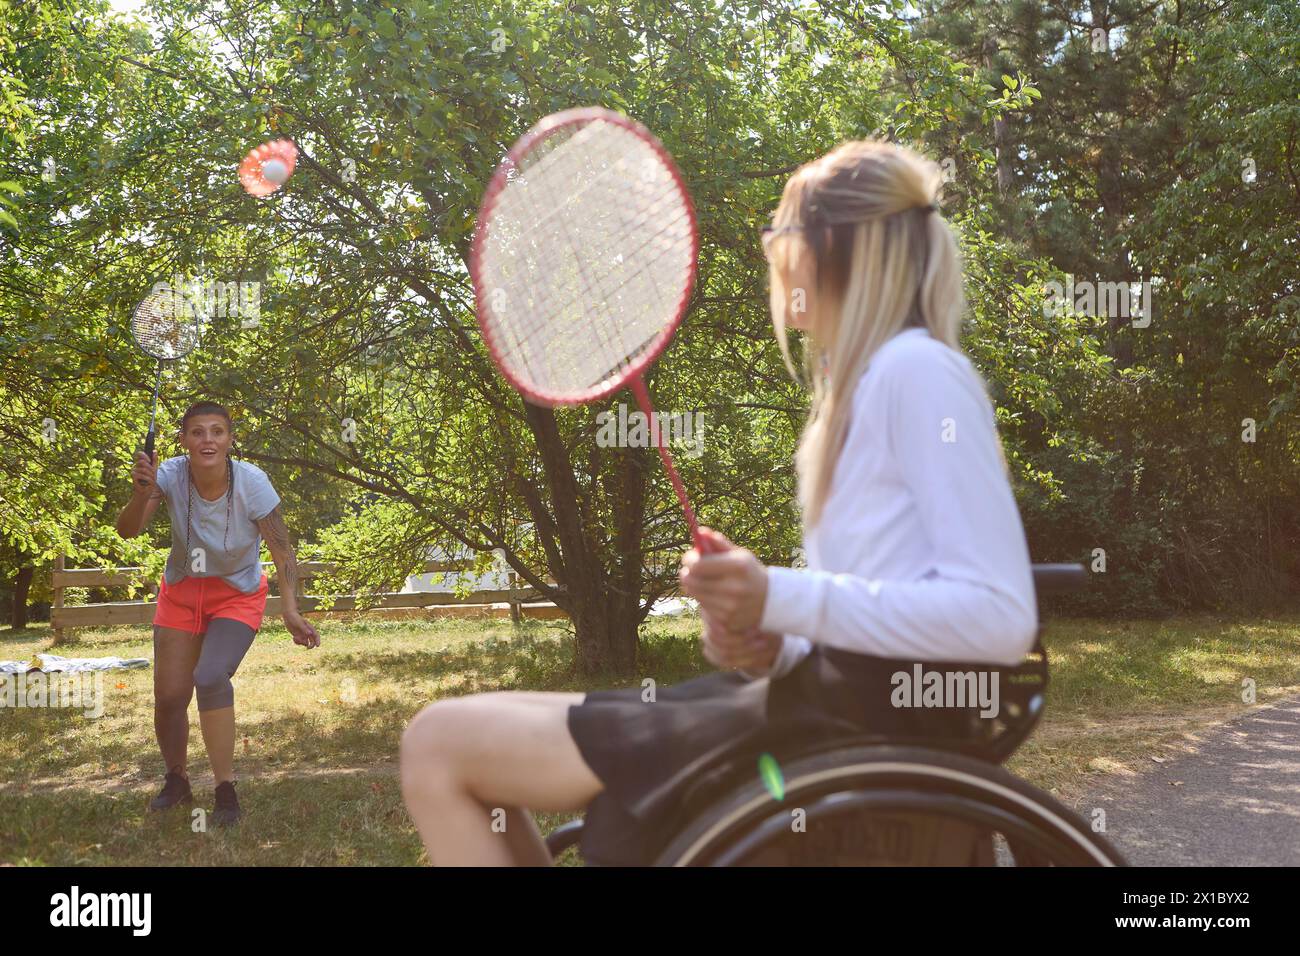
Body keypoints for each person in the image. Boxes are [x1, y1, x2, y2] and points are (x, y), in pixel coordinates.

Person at [399, 140, 1038, 866]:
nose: (772, 250)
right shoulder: (871, 385)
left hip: (832, 731)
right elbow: (877, 613)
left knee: (436, 746)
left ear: (830, 248)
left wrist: (777, 594)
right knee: (450, 733)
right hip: (822, 713)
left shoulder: (917, 372)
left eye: (780, 231)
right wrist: (774, 636)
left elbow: (999, 617)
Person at [116, 400, 320, 825]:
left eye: (217, 432)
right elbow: (129, 530)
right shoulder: (168, 475)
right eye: (197, 432)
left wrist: (290, 610)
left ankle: (225, 791)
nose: (207, 439)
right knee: (169, 697)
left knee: (209, 675)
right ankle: (177, 780)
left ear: (229, 440)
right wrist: (140, 492)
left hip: (236, 594)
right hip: (182, 593)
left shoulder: (252, 482)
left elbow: (282, 548)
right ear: (183, 440)